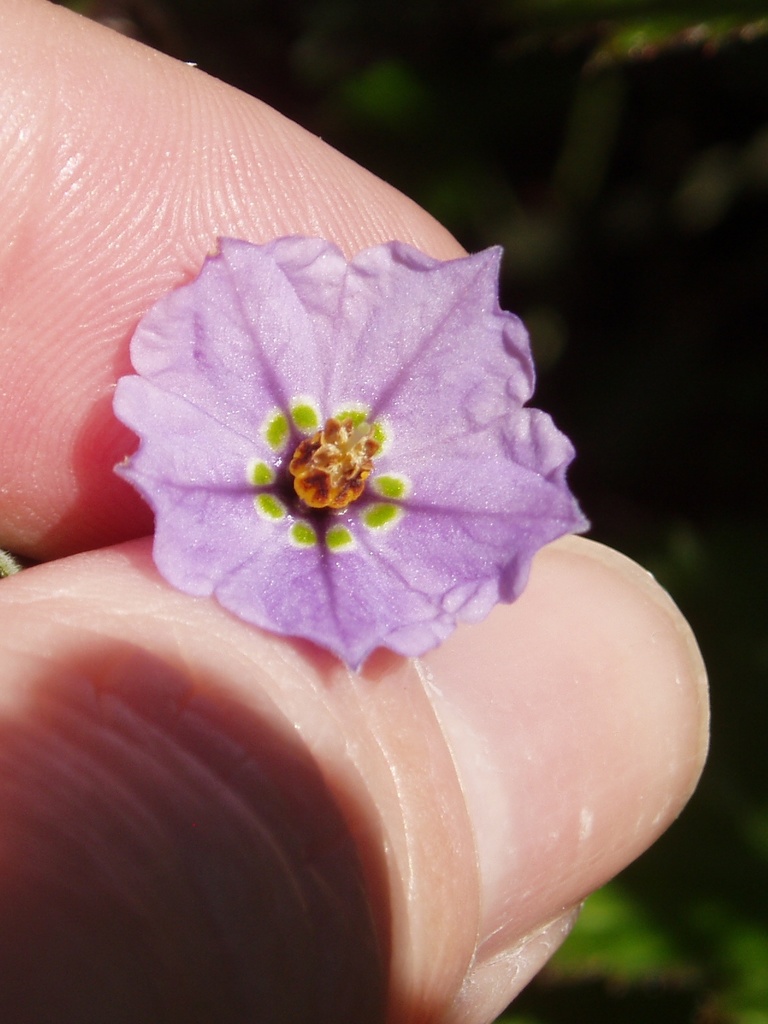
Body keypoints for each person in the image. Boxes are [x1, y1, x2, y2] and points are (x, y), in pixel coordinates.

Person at [0, 2, 708, 1020]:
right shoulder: (255, 371)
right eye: (327, 458)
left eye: (343, 459)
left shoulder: (426, 398)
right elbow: (241, 336)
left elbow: (486, 449)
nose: (331, 462)